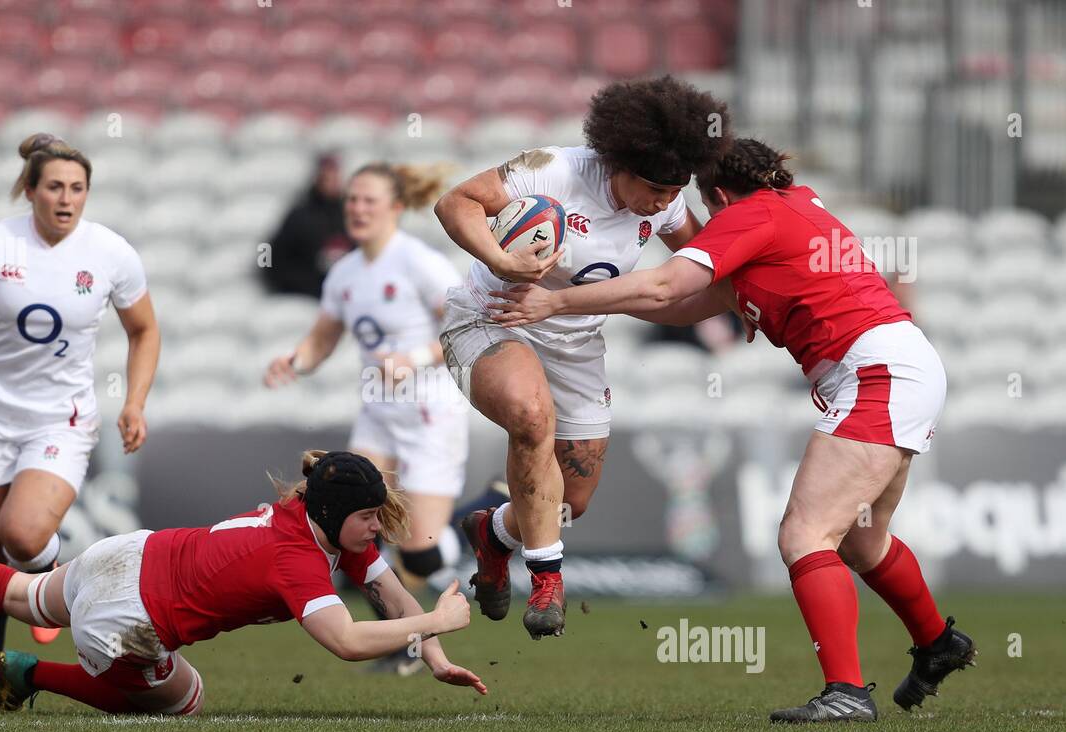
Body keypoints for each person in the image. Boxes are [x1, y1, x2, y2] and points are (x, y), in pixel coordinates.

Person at [488, 138, 976, 722]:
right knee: (861, 540)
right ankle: (937, 643)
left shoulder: (750, 216)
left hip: (876, 373)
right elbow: (692, 304)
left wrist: (557, 303)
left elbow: (668, 286)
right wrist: (595, 305)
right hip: (899, 366)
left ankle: (847, 692)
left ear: (717, 195)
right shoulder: (796, 202)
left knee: (804, 535)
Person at [434, 76, 731, 639]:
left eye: (676, 190)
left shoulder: (665, 207)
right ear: (621, 158)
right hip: (494, 316)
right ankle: (547, 579)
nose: (665, 201)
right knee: (530, 415)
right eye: (655, 187)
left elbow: (701, 272)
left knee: (573, 499)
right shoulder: (557, 170)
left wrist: (749, 300)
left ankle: (493, 533)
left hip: (576, 342)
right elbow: (456, 203)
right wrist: (502, 259)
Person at [0, 451, 486, 714]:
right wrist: (434, 622)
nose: (376, 528)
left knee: (20, 593)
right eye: (368, 516)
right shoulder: (297, 557)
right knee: (182, 701)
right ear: (330, 512)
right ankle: (26, 673)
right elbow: (345, 641)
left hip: (130, 554)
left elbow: (387, 592)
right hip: (133, 617)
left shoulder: (312, 515)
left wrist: (434, 656)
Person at [0, 133, 160, 702]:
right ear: (30, 190)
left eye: (77, 188)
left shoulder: (110, 253)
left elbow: (144, 330)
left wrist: (134, 402)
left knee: (21, 537)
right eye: (54, 186)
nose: (66, 198)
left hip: (61, 420)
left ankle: (48, 582)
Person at [264, 162, 469, 673]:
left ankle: (484, 520)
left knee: (419, 550)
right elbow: (324, 336)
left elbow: (466, 326)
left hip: (429, 416)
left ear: (395, 207)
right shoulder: (345, 272)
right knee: (350, 510)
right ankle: (399, 636)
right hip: (378, 415)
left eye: (368, 200)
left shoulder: (419, 263)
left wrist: (413, 359)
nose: (356, 208)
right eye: (352, 200)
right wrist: (296, 361)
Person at [260, 153, 352, 299]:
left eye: (336, 177)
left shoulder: (351, 216)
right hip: (305, 297)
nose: (333, 183)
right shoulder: (299, 215)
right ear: (317, 178)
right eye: (328, 177)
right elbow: (266, 250)